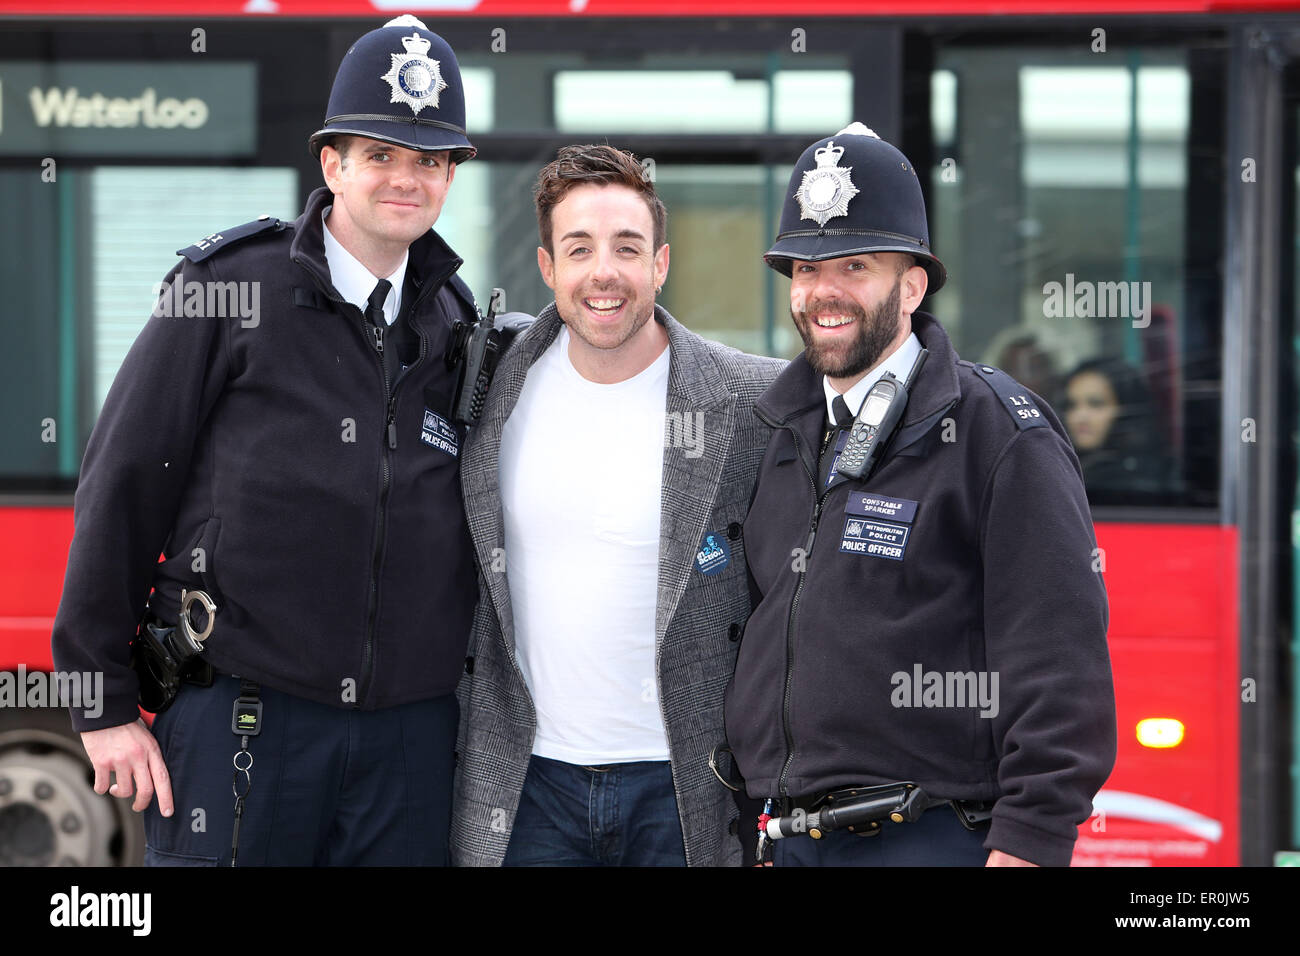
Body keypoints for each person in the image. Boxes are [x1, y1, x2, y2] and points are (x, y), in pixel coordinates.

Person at [50, 16, 481, 866]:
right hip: (245, 719)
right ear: (333, 166)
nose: (408, 178)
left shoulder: (454, 322)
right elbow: (121, 483)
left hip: (409, 743)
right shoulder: (224, 290)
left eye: (429, 160)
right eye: (382, 154)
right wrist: (96, 705)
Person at [725, 124, 1116, 867]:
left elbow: (1058, 662)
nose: (822, 292)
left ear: (911, 286)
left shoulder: (998, 435)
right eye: (804, 270)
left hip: (934, 840)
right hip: (791, 842)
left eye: (854, 265)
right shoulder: (778, 433)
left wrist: (1030, 844)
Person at [451, 144, 785, 866]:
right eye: (579, 248)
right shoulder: (485, 390)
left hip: (685, 787)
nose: (604, 272)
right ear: (548, 269)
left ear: (659, 264)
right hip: (527, 785)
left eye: (626, 247)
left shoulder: (754, 401)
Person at [1064, 357, 1172, 499]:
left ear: (1126, 409)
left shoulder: (1145, 480)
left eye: (1096, 404)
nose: (1080, 417)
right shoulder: (1061, 463)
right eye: (1071, 405)